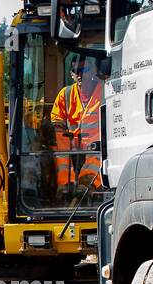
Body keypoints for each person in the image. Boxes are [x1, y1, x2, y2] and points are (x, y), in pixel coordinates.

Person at [51, 55, 104, 195]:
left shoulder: (104, 92)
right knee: (58, 144)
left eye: (84, 69)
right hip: (72, 145)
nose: (79, 74)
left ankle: (88, 182)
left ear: (93, 71)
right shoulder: (65, 95)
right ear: (71, 74)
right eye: (76, 71)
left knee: (100, 146)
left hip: (95, 147)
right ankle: (65, 185)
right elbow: (57, 125)